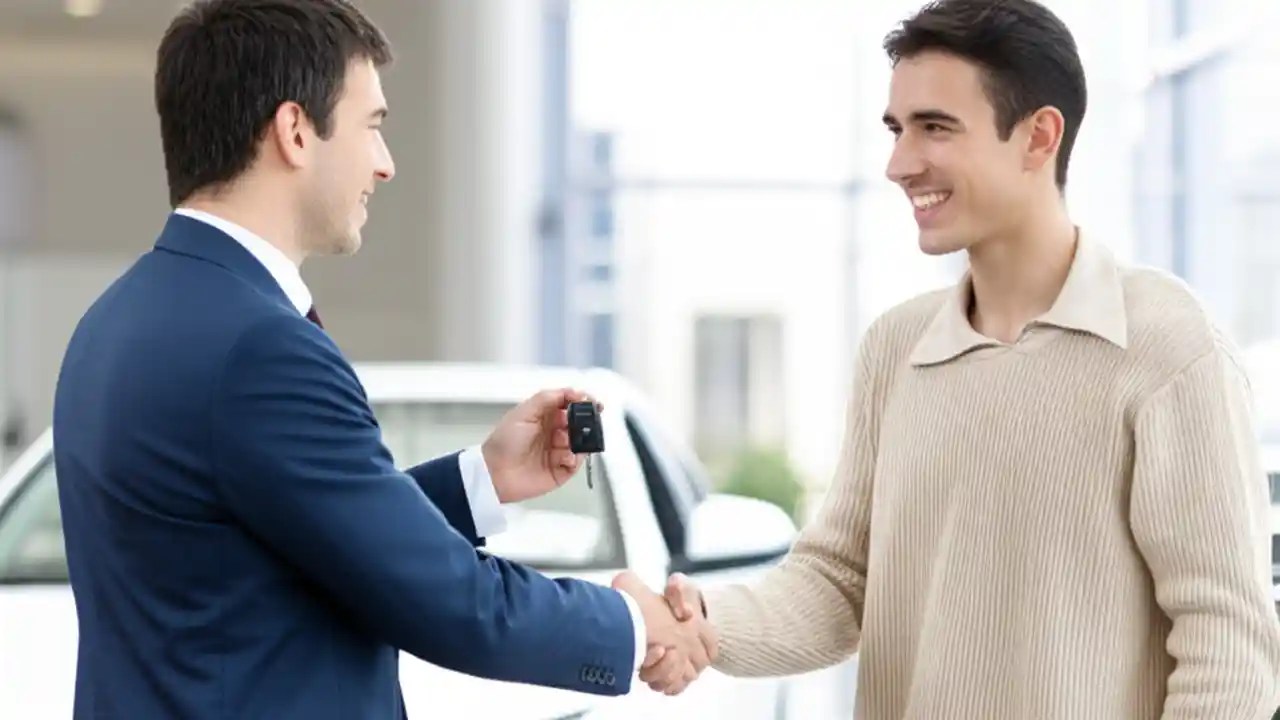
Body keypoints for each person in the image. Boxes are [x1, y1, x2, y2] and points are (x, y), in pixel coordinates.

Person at [51, 1, 711, 718]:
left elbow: (286, 547)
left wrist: (481, 481)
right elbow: (451, 602)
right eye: (371, 126)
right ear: (295, 132)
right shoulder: (261, 350)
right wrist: (634, 625)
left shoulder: (112, 322)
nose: (385, 164)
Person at [639, 0, 1280, 717]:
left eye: (935, 128)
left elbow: (1230, 648)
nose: (899, 164)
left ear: (1038, 137)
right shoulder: (896, 349)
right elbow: (841, 583)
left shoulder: (1166, 346)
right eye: (897, 129)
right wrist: (703, 623)